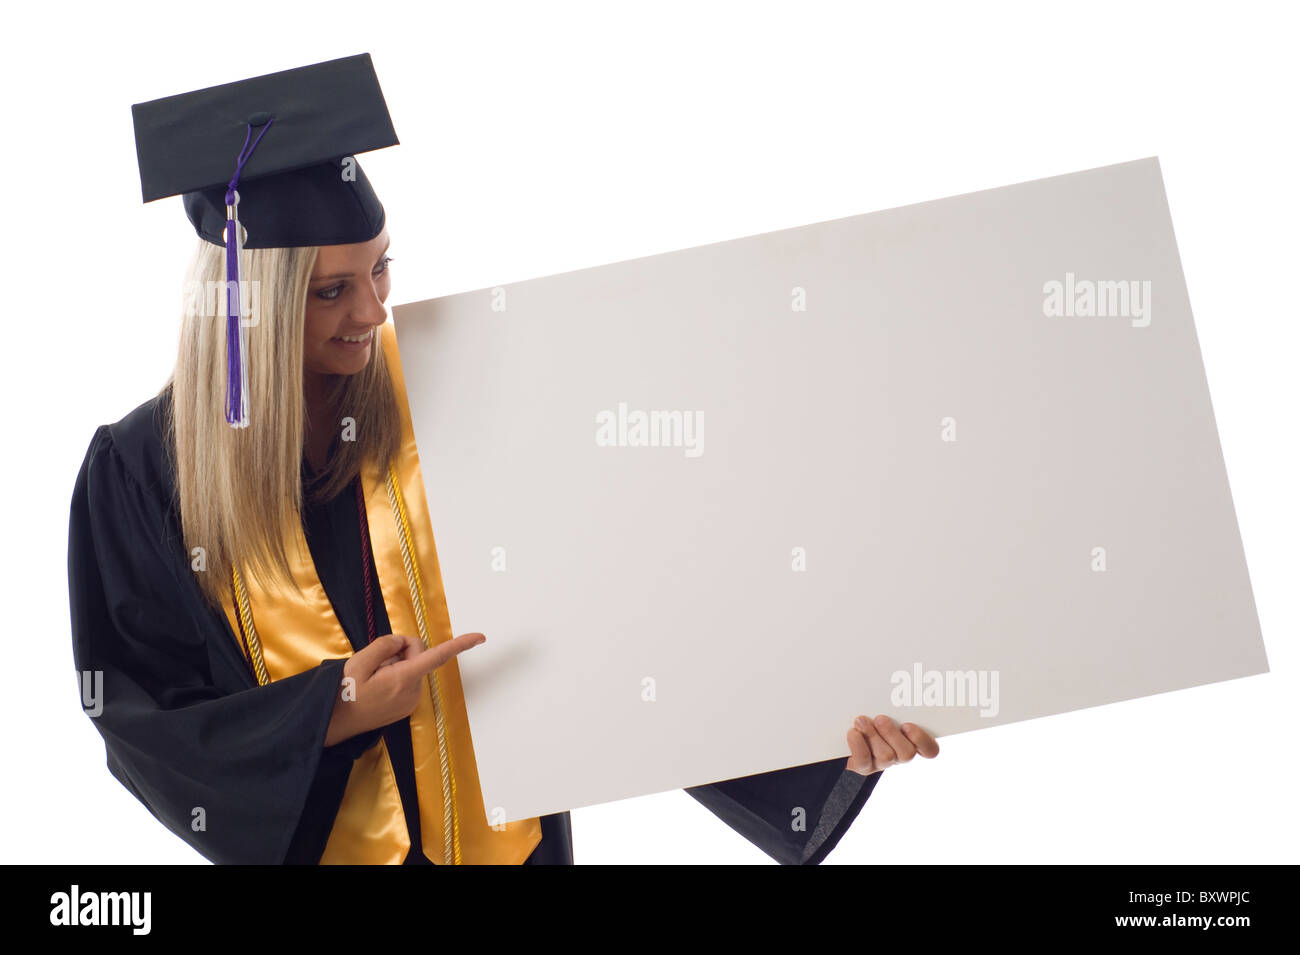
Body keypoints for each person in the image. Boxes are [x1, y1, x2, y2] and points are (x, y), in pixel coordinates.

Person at [68, 54, 939, 866]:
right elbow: (146, 724)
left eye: (381, 271)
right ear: (244, 311)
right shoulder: (145, 472)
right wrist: (329, 712)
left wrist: (820, 733)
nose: (371, 312)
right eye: (331, 290)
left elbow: (627, 595)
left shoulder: (459, 395)